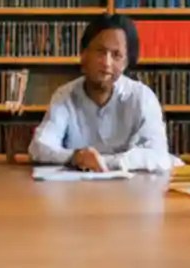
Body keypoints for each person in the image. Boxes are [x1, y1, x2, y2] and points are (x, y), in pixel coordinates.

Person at [28, 15, 175, 172]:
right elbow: (39, 147)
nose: (107, 63)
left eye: (116, 55)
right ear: (83, 55)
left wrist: (106, 162)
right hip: (77, 191)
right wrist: (76, 157)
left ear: (125, 63)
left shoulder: (142, 97)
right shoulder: (65, 95)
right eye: (100, 52)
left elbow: (158, 155)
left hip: (129, 190)